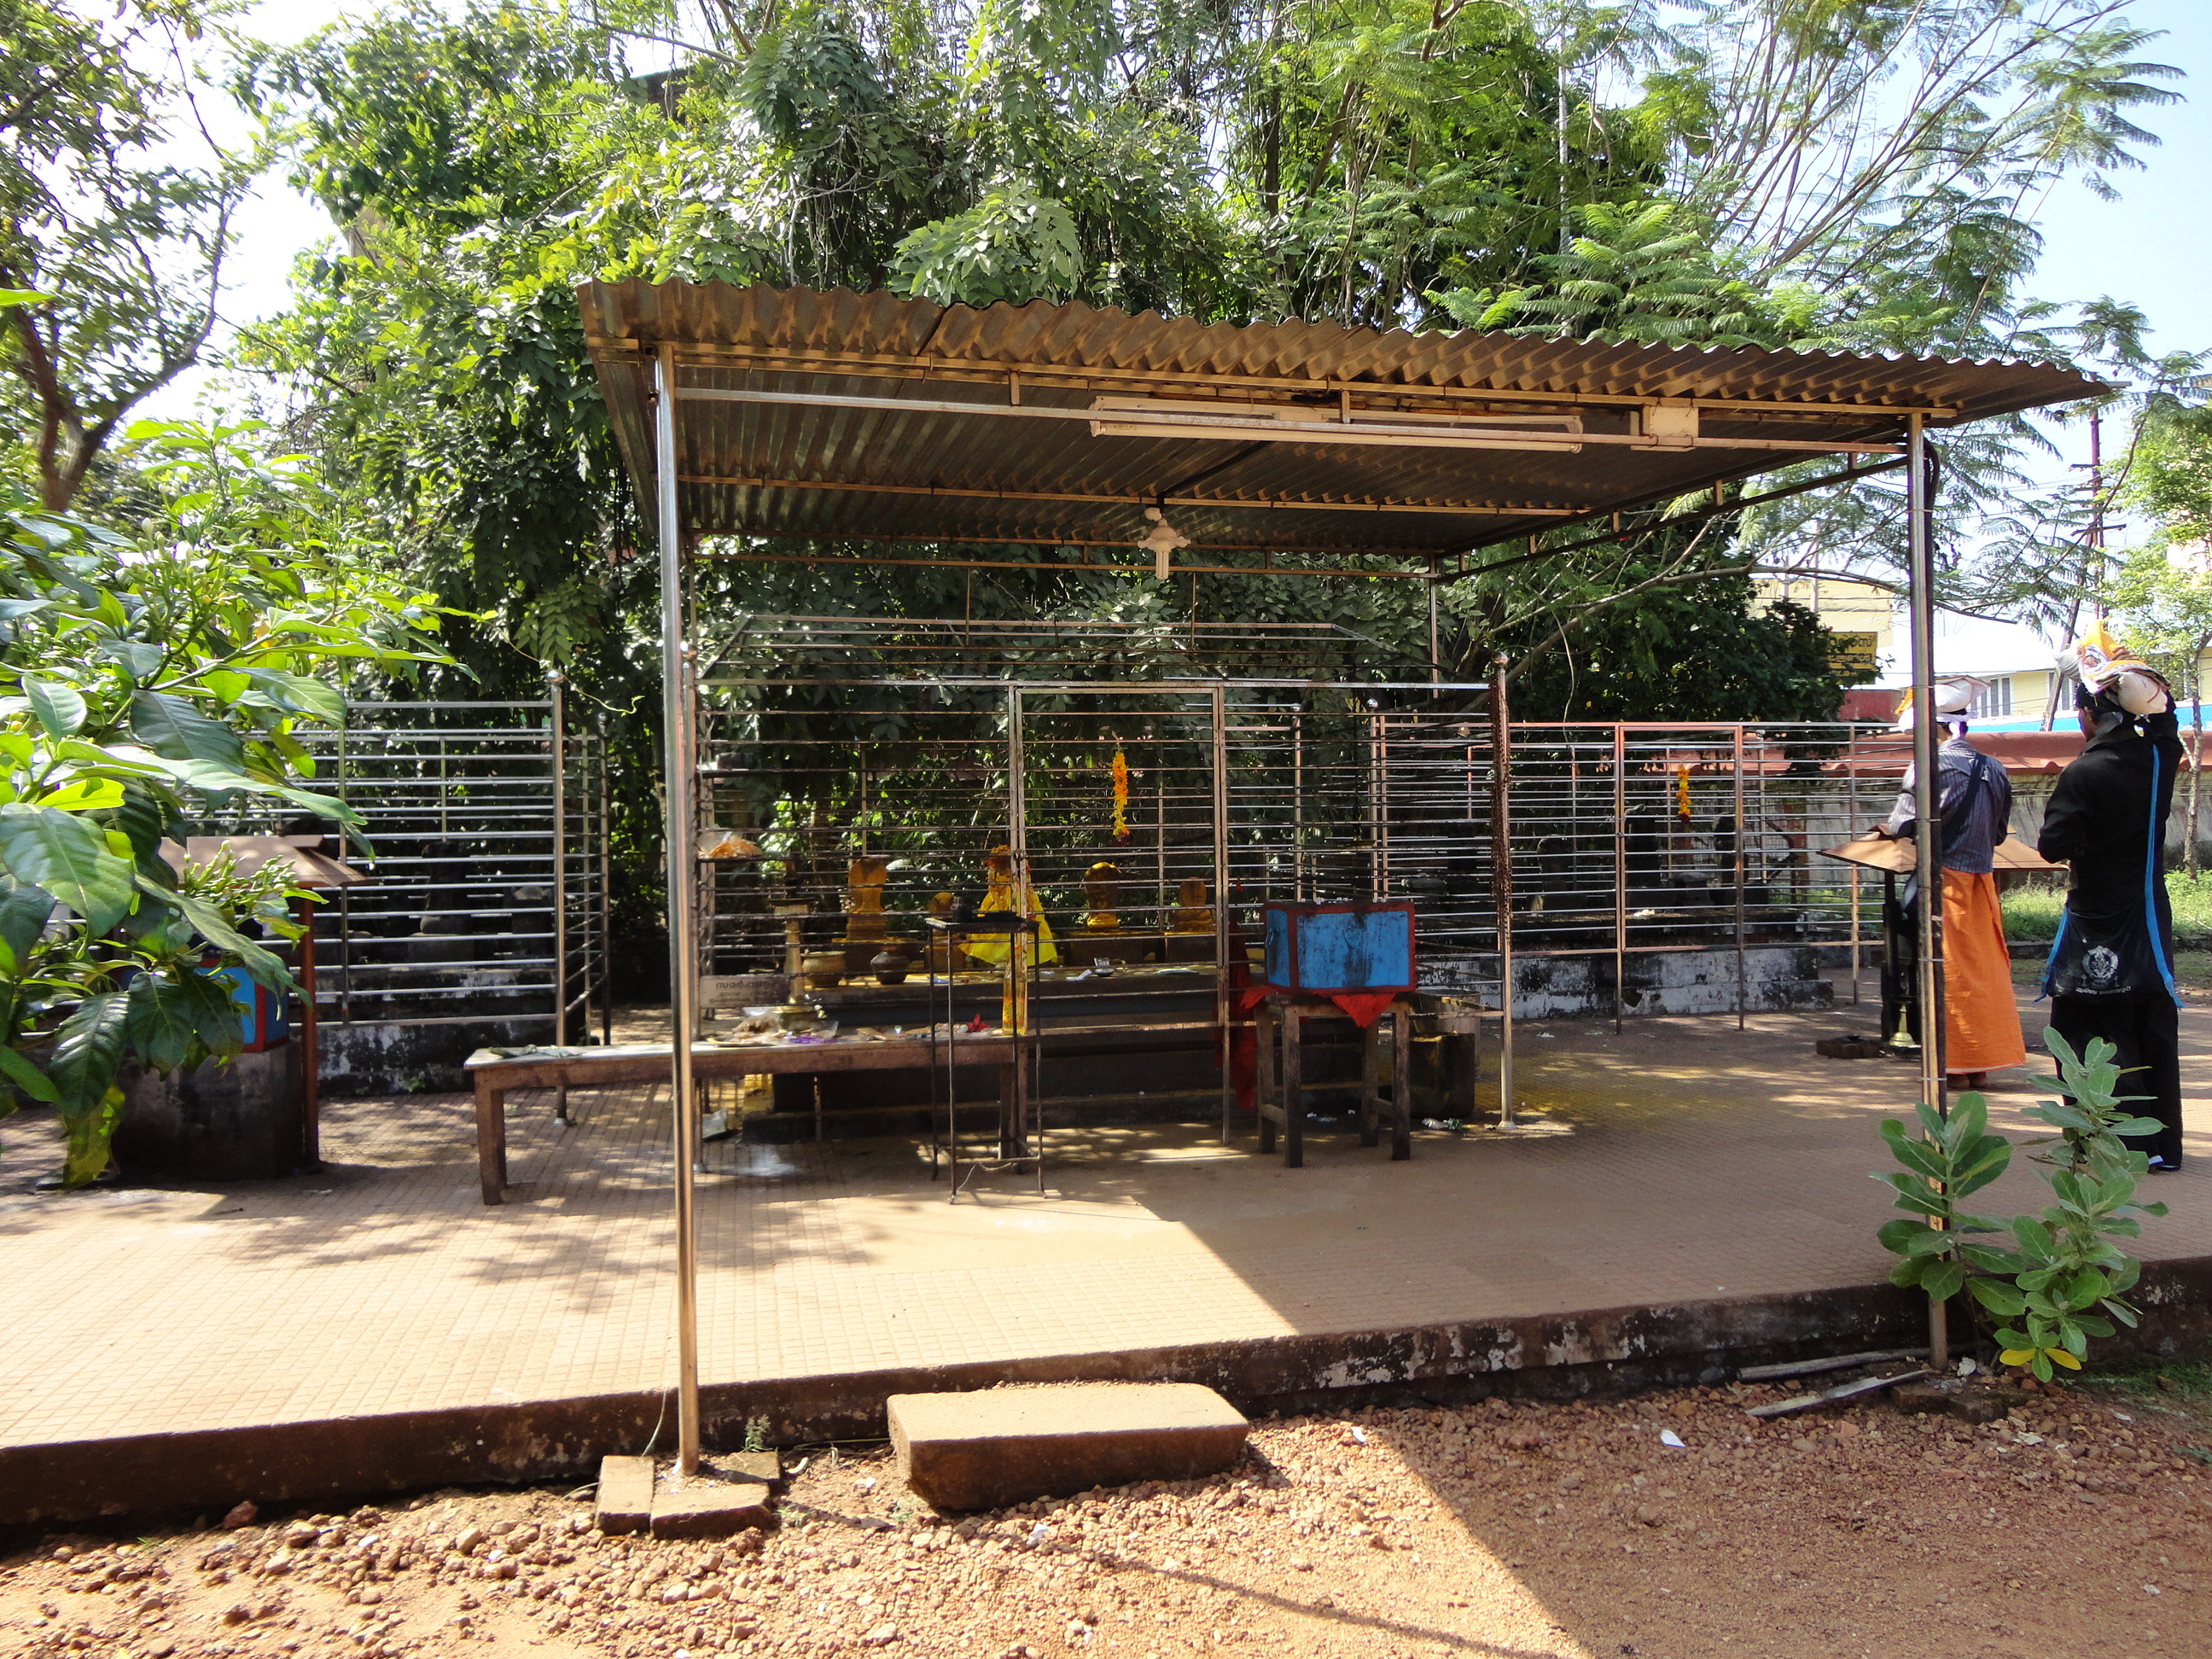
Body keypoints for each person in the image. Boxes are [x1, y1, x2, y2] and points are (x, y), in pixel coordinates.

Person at [2038, 627, 2186, 1172]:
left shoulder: (2084, 771)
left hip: (2097, 915)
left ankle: (2107, 1146)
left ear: (2085, 715)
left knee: (2089, 1024)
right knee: (2150, 1017)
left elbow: (2052, 845)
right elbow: (2169, 728)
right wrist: (2142, 696)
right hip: (2149, 911)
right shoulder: (2156, 760)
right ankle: (2162, 1149)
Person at [1879, 677, 2026, 1087]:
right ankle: (1980, 1063)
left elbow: (1900, 825)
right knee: (1983, 974)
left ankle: (1952, 1064)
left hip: (1940, 885)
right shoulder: (1995, 768)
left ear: (1934, 727)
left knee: (1940, 972)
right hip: (1981, 886)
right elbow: (1998, 833)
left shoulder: (1928, 765)